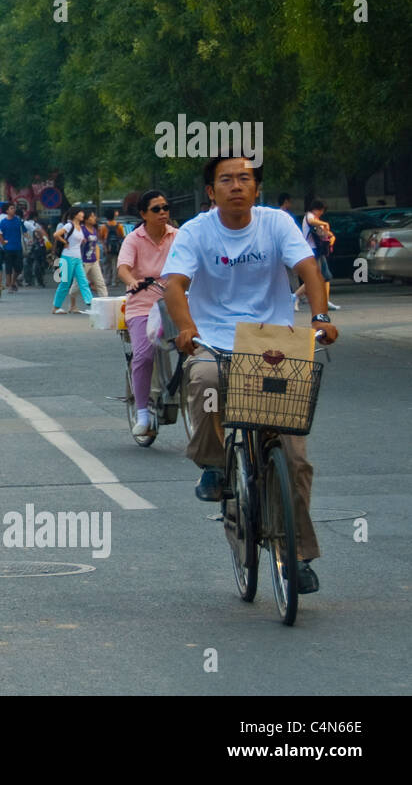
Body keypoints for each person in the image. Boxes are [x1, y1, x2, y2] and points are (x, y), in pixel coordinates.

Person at [164, 155, 339, 594]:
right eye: (226, 180)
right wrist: (187, 328)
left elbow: (308, 270)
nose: (237, 185)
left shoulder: (277, 224)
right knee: (203, 380)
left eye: (245, 178)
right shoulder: (196, 232)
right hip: (216, 341)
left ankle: (297, 556)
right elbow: (174, 284)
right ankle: (212, 464)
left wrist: (319, 316)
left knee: (295, 460)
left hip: (274, 345)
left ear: (256, 188)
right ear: (212, 191)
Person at [116, 192, 177, 437]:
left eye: (165, 207)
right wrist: (131, 282)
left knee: (198, 349)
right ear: (143, 215)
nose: (163, 212)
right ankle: (142, 412)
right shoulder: (133, 239)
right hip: (141, 305)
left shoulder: (178, 236)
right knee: (143, 355)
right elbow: (123, 268)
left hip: (173, 302)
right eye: (156, 209)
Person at [296, 199, 339, 312]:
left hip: (319, 251)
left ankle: (325, 301)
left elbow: (325, 234)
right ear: (316, 209)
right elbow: (312, 221)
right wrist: (325, 223)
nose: (322, 213)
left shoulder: (317, 219)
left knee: (326, 276)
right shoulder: (309, 216)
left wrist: (331, 237)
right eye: (321, 210)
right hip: (312, 251)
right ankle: (295, 297)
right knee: (315, 278)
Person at [51, 210, 93, 315]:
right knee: (65, 283)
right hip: (67, 257)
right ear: (75, 215)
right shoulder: (69, 225)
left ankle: (91, 303)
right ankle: (56, 307)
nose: (83, 215)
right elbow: (56, 234)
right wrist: (65, 242)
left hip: (78, 258)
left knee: (83, 281)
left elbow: (78, 239)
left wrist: (82, 241)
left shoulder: (81, 227)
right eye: (81, 213)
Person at [81, 211, 109, 298]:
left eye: (94, 216)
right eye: (92, 216)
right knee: (78, 284)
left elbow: (95, 245)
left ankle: (105, 302)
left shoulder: (94, 230)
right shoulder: (81, 230)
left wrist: (97, 258)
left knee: (100, 283)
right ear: (86, 219)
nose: (94, 218)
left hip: (93, 260)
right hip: (83, 261)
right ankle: (72, 302)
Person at [0, 206, 24, 292]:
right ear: (7, 211)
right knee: (8, 267)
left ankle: (13, 282)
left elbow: (24, 231)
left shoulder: (18, 220)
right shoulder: (3, 222)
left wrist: (29, 239)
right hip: (8, 248)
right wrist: (2, 242)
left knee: (18, 267)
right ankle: (10, 284)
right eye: (11, 208)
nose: (14, 210)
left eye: (14, 208)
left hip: (18, 247)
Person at [101, 210, 126, 287]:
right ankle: (114, 281)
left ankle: (107, 280)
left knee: (106, 265)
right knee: (115, 265)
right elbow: (122, 236)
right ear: (114, 216)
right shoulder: (119, 226)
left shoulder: (104, 226)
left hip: (107, 248)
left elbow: (101, 238)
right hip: (116, 248)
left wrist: (104, 246)